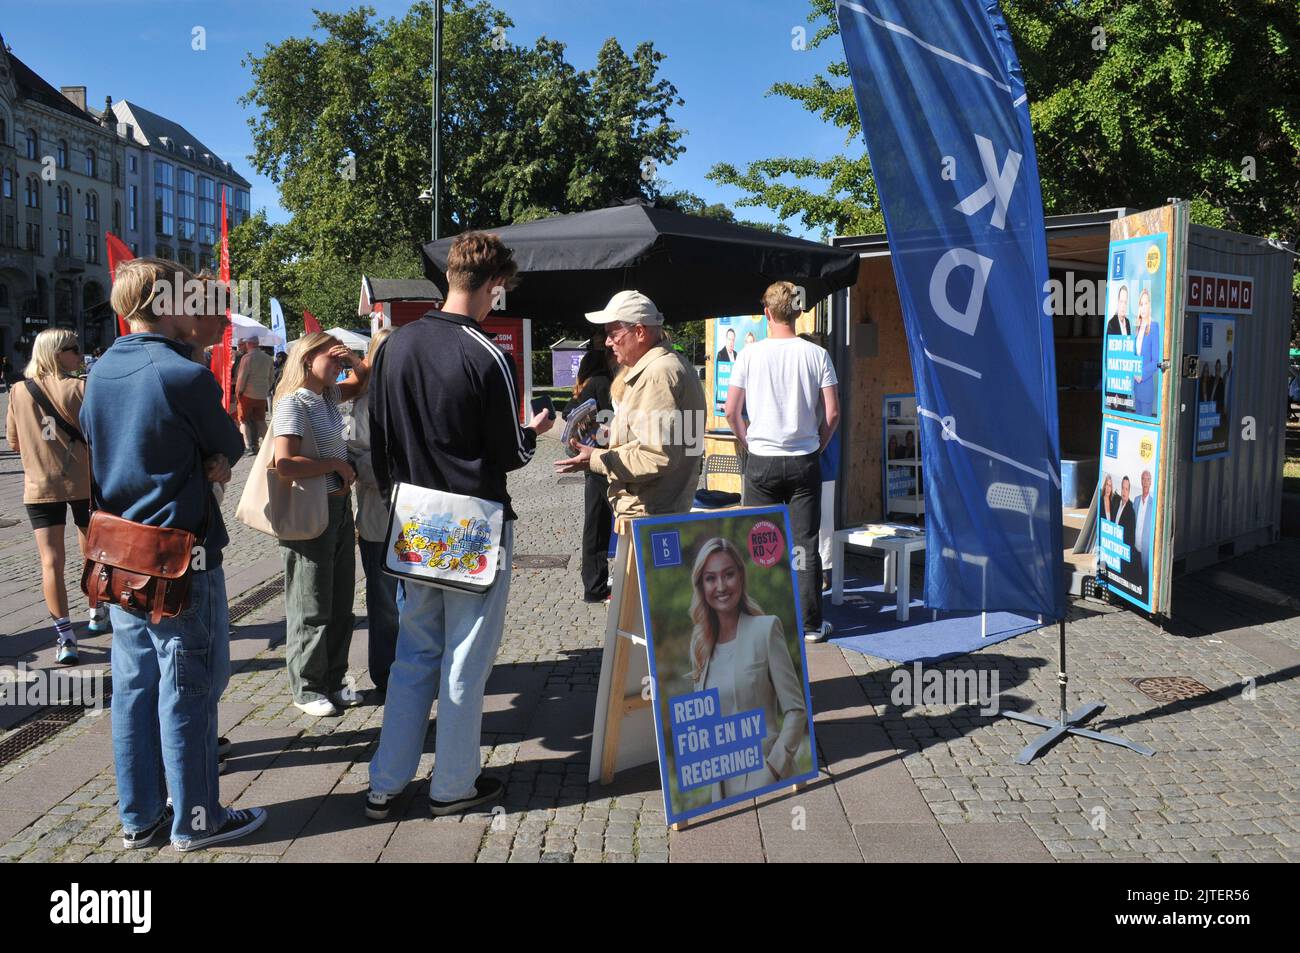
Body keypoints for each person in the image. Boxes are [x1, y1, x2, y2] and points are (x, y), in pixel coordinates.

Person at [366, 231, 554, 820]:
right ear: (495, 287)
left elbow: (380, 444)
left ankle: (385, 782)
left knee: (414, 652)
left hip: (416, 516)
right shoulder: (487, 352)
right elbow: (510, 454)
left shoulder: (395, 346)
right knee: (466, 657)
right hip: (473, 519)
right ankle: (452, 783)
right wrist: (535, 433)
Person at [82, 257, 265, 851]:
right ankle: (197, 819)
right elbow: (229, 440)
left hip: (119, 555)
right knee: (188, 690)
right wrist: (214, 460)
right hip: (179, 557)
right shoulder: (181, 375)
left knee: (134, 691)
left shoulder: (101, 371)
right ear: (165, 302)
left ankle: (140, 818)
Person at [724, 281, 840, 643]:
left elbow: (731, 411)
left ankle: (762, 621)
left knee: (761, 542)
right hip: (804, 459)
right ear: (799, 312)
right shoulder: (816, 355)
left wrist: (747, 440)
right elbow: (833, 413)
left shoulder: (749, 355)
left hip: (761, 459)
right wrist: (818, 446)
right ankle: (809, 625)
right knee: (804, 543)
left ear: (767, 313)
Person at [271, 332, 369, 717]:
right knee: (310, 602)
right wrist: (335, 465)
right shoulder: (293, 402)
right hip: (311, 510)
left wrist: (355, 361)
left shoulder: (327, 396)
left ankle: (333, 679)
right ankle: (307, 687)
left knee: (341, 601)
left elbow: (363, 382)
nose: (340, 365)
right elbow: (285, 463)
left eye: (341, 359)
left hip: (339, 509)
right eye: (333, 358)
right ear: (307, 358)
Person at [555, 290, 706, 530]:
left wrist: (596, 458)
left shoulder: (657, 373)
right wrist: (609, 434)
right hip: (659, 511)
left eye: (612, 333)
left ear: (640, 332)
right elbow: (659, 440)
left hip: (650, 515)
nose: (607, 342)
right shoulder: (671, 364)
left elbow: (656, 456)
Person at [5, 329, 101, 664]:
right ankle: (96, 610)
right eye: (74, 349)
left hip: (40, 487)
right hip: (83, 484)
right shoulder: (82, 387)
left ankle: (65, 637)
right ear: (58, 353)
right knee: (93, 550)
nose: (80, 354)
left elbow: (14, 442)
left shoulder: (17, 391)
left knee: (50, 561)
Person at [687, 537, 807, 798]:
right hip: (721, 789)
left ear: (741, 576)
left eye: (728, 574)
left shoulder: (765, 629)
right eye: (710, 578)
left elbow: (796, 710)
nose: (720, 586)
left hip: (767, 779)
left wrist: (772, 769)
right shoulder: (699, 645)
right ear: (701, 585)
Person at [346, 328, 399, 697]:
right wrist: (392, 467)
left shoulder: (415, 399)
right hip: (378, 518)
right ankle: (385, 673)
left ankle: (416, 667)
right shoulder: (364, 405)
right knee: (384, 604)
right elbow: (353, 461)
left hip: (416, 518)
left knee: (417, 603)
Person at [570, 345, 616, 602]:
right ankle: (598, 585)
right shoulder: (603, 382)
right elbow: (611, 420)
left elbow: (568, 412)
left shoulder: (585, 383)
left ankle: (594, 586)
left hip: (590, 459)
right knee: (612, 519)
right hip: (600, 458)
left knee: (594, 524)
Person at [235, 336, 274, 454]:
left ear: (248, 344)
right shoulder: (268, 358)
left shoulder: (247, 358)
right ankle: (271, 444)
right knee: (261, 421)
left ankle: (249, 447)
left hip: (247, 394)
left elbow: (242, 378)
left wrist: (238, 393)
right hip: (261, 395)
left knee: (243, 421)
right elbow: (271, 378)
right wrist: (266, 389)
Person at [1132, 288, 1161, 418]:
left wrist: (1141, 374)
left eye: (1146, 303)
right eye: (1141, 304)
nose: (1143, 307)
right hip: (1136, 388)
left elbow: (1156, 361)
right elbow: (1134, 356)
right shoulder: (1137, 329)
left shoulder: (1154, 327)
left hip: (1146, 386)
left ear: (1150, 306)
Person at [1132, 469, 1155, 582]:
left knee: (1144, 578)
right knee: (1134, 577)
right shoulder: (1136, 500)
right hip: (1135, 547)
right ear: (1141, 481)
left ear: (1150, 483)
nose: (1145, 482)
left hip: (1146, 550)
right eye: (1143, 479)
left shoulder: (1153, 504)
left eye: (1148, 479)